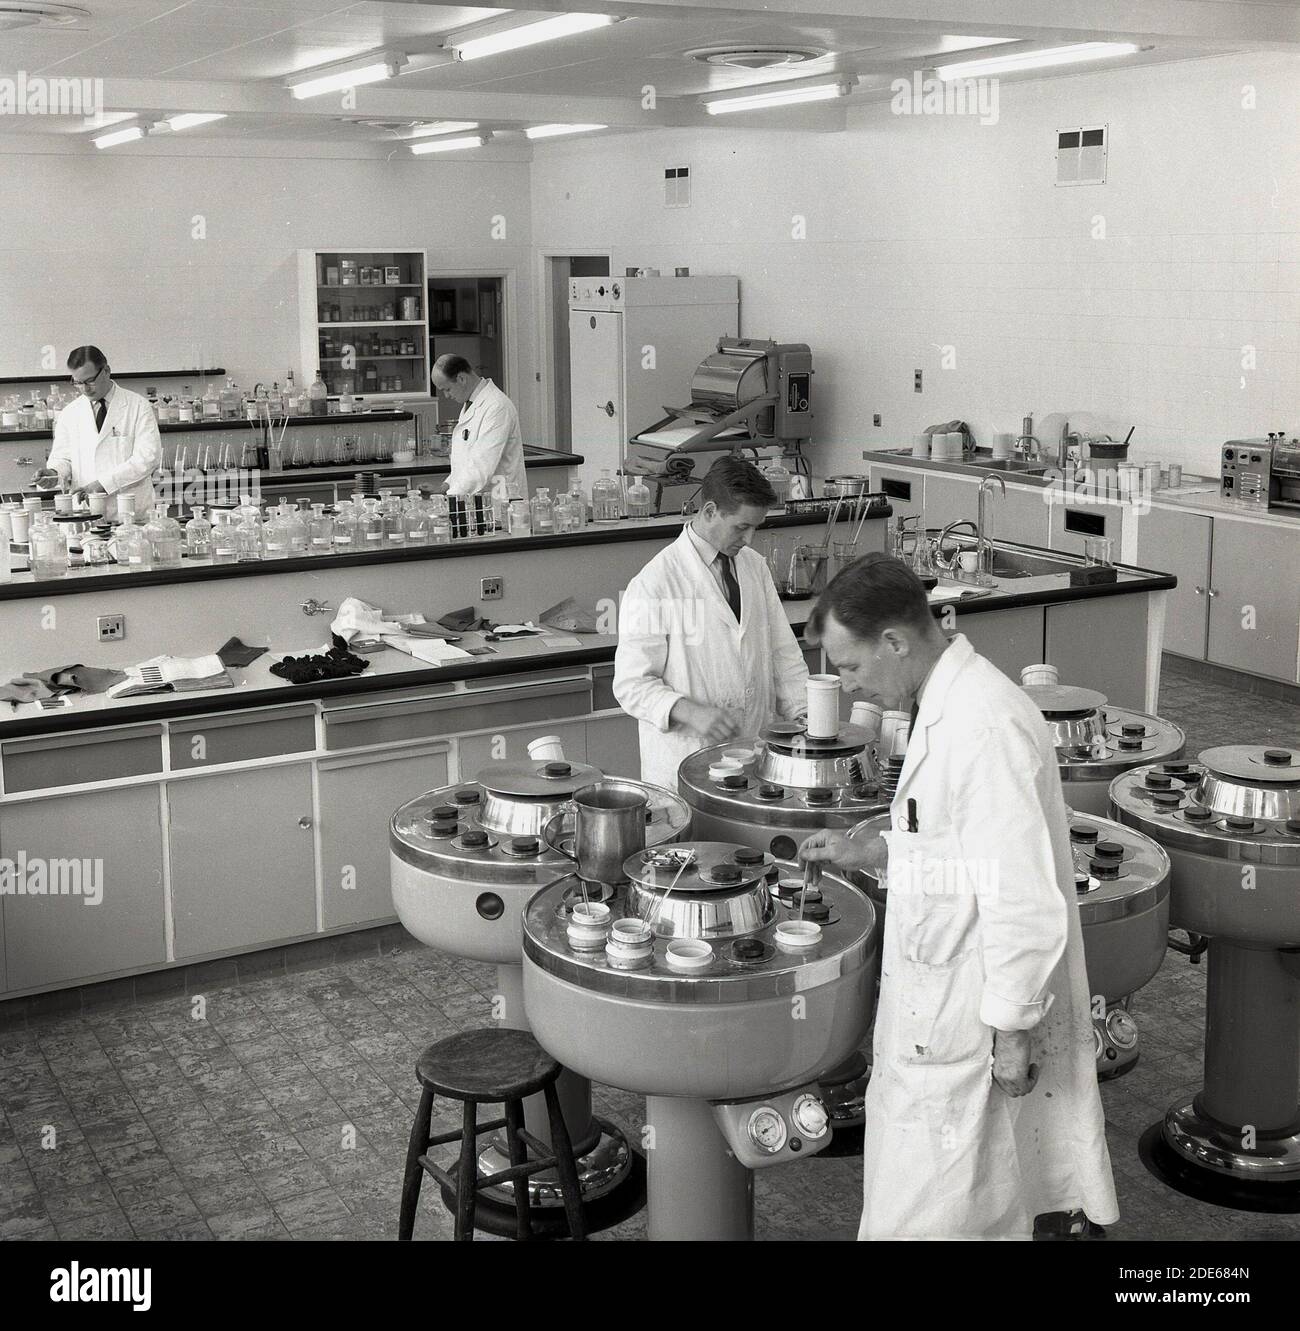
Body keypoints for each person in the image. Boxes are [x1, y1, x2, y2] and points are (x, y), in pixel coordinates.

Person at [799, 552, 1118, 1241]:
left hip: (969, 1023)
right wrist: (880, 851)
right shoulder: (945, 703)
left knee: (939, 1215)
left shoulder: (984, 725)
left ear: (894, 641)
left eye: (850, 666)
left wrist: (1012, 1029)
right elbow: (963, 853)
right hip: (937, 1010)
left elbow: (1022, 898)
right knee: (944, 1205)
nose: (848, 684)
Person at [613, 456, 808, 789]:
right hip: (686, 765)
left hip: (753, 757)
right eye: (741, 527)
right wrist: (691, 712)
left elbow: (783, 656)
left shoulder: (753, 567)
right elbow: (631, 685)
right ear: (708, 512)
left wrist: (804, 715)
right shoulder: (654, 582)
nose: (749, 539)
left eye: (755, 528)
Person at [34, 346, 160, 516]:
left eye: (90, 380)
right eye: (78, 383)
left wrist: (104, 483)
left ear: (106, 371)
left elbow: (147, 458)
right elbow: (63, 458)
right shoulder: (69, 413)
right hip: (86, 511)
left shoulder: (138, 406)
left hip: (131, 509)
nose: (85, 389)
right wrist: (53, 473)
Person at [431, 354, 526, 501]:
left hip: (501, 500)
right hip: (481, 501)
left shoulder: (497, 407)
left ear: (462, 379)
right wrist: (445, 487)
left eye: (447, 389)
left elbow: (481, 468)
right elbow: (467, 461)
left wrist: (446, 500)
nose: (446, 396)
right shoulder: (471, 404)